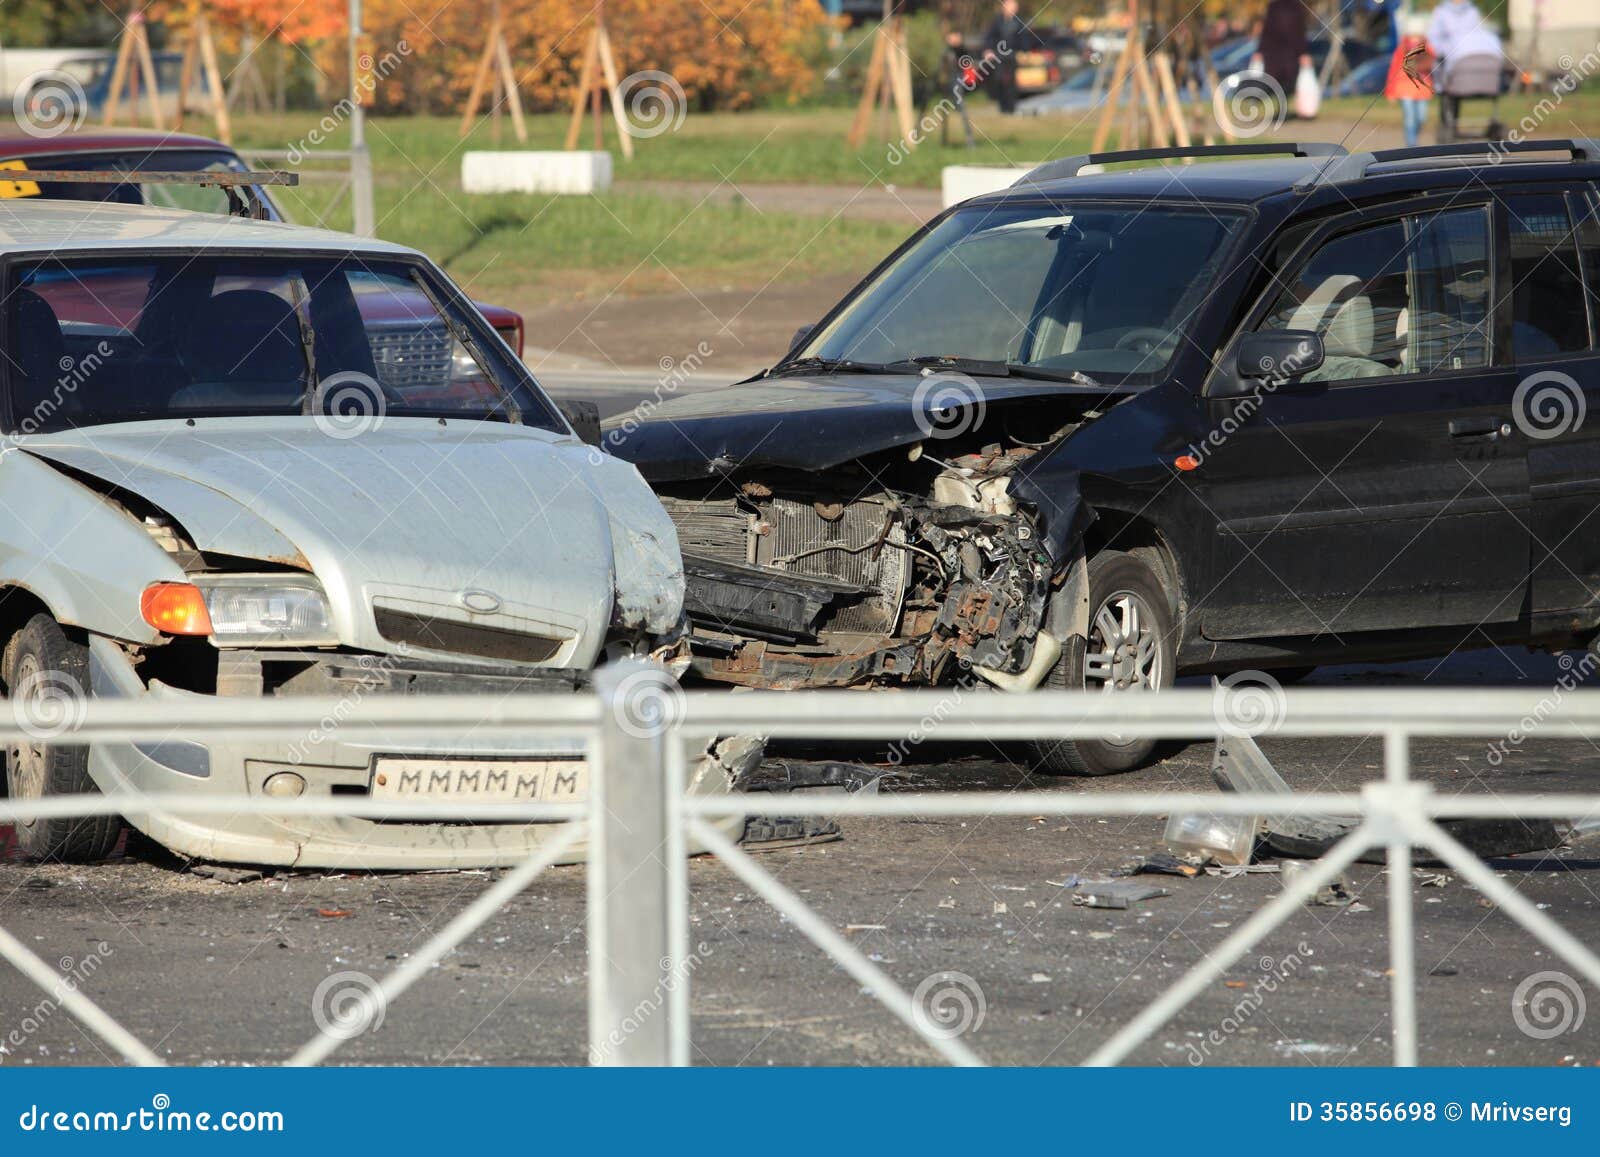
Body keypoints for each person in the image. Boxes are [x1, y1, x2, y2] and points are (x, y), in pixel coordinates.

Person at [1426, 0, 1503, 133]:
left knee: (1457, 90)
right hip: (1449, 60)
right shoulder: (1441, 12)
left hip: (1470, 62)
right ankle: (1448, 124)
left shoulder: (1472, 11)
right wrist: (1442, 51)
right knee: (1448, 95)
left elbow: (1480, 34)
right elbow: (1434, 38)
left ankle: (1452, 124)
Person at [1386, 12, 1434, 146]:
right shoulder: (1401, 48)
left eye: (1417, 35)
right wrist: (1390, 92)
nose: (1415, 38)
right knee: (1410, 119)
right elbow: (1393, 69)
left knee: (1421, 118)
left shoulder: (1428, 47)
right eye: (1413, 34)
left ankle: (1414, 139)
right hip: (1404, 88)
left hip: (1423, 89)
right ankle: (1412, 146)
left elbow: (1432, 64)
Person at [1255, 0, 1311, 106]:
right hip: (1274, 54)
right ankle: (1258, 98)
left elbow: (1301, 32)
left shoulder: (1296, 7)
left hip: (1291, 54)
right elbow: (1266, 31)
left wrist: (1304, 53)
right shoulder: (1273, 7)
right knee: (1272, 81)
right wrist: (1260, 51)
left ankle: (1282, 110)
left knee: (1289, 83)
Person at [982, 0, 1030, 115]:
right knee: (999, 81)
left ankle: (1011, 108)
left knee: (1011, 83)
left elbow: (1024, 39)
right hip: (998, 57)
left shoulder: (1019, 22)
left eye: (1013, 7)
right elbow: (989, 37)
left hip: (1013, 57)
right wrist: (988, 50)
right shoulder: (997, 21)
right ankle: (1002, 108)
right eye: (1008, 6)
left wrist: (1024, 52)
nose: (1010, 9)